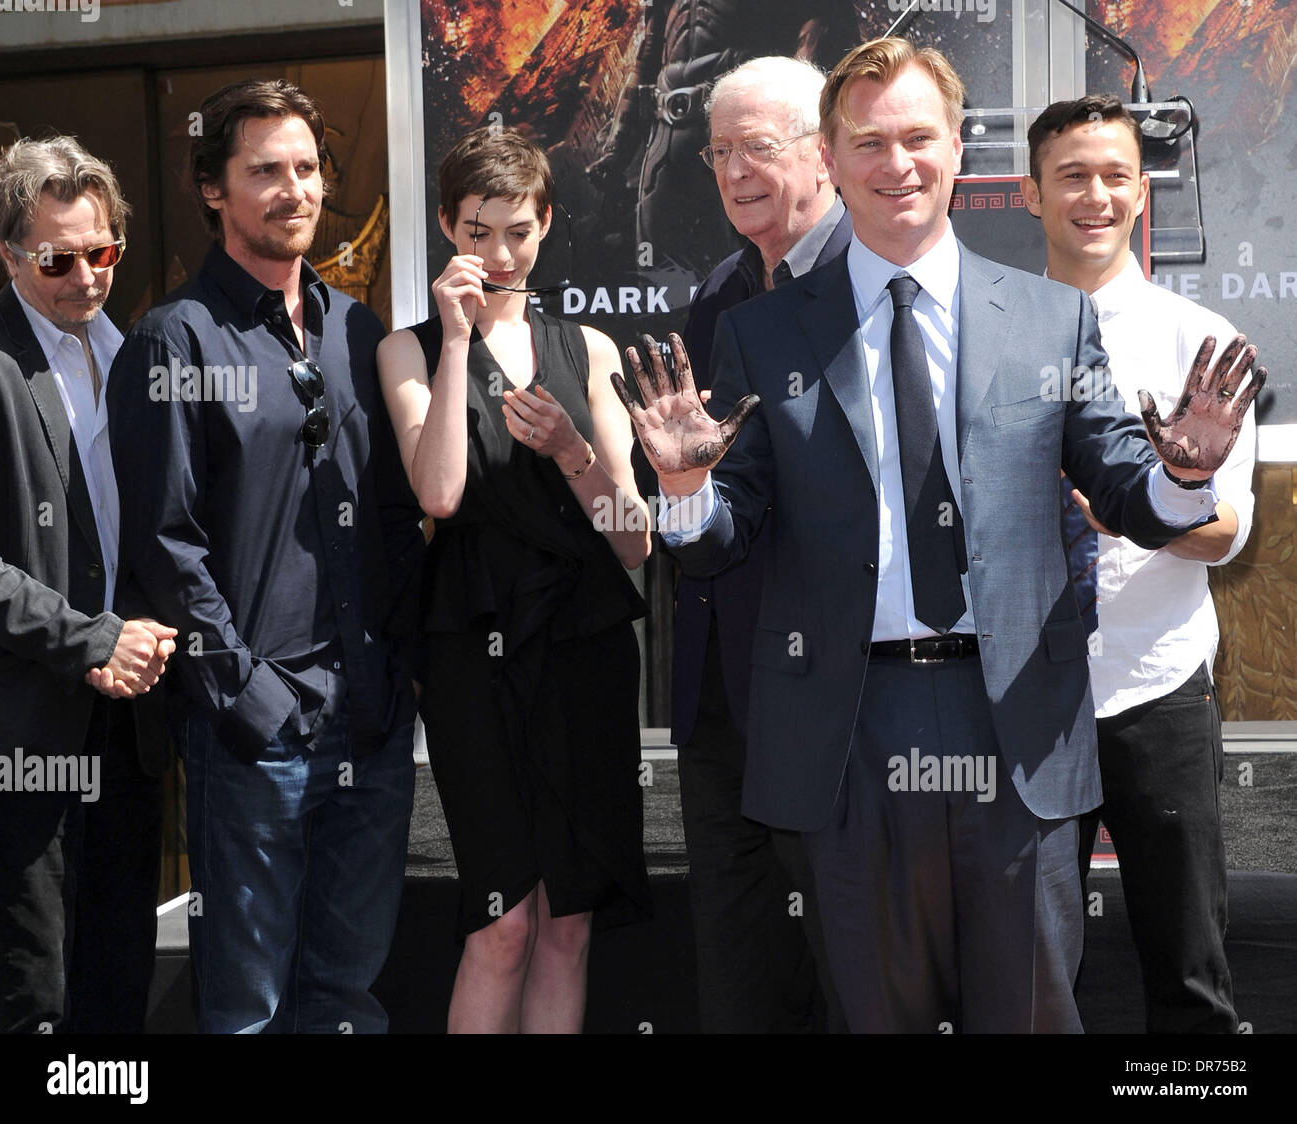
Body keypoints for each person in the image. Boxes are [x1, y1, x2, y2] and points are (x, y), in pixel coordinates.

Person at [616, 37, 1265, 1032]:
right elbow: (720, 541)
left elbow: (1120, 486)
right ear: (829, 159)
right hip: (845, 729)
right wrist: (685, 486)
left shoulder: (1048, 321)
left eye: (918, 136)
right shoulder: (767, 331)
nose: (896, 163)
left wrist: (1182, 473)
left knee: (1031, 1011)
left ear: (959, 148)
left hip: (1014, 721)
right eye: (868, 142)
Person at [108, 79, 425, 1033]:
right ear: (213, 190)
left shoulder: (358, 331)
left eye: (307, 168)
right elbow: (164, 549)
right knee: (249, 1009)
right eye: (264, 172)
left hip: (369, 723)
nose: (295, 189)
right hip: (255, 734)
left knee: (346, 998)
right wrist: (249, 697)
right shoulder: (174, 340)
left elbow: (397, 518)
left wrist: (395, 677)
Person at [377, 127, 652, 1034]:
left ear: (546, 227)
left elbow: (633, 542)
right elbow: (441, 491)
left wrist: (574, 452)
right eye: (476, 231)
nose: (498, 254)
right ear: (448, 230)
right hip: (474, 663)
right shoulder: (409, 351)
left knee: (568, 922)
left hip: (586, 653)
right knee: (503, 921)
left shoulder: (593, 348)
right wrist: (458, 345)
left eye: (518, 232)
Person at [1023, 94, 1253, 1033]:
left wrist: (1141, 516)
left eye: (1115, 175)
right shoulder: (985, 336)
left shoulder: (1201, 342)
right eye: (1072, 175)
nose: (1095, 195)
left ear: (1143, 192)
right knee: (1029, 974)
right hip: (1024, 694)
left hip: (1155, 689)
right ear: (1031, 194)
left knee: (1189, 975)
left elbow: (1226, 532)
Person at [670, 55, 851, 1033]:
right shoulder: (715, 296)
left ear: (822, 154)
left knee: (856, 971)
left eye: (759, 147)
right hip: (720, 699)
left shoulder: (876, 287)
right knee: (740, 984)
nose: (736, 170)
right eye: (719, 152)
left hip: (837, 699)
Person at [0, 135, 177, 1033]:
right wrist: (92, 639)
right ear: (7, 254)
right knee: (36, 997)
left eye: (101, 252)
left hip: (131, 727)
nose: (84, 275)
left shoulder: (138, 355)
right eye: (55, 258)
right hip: (24, 735)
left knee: (118, 985)